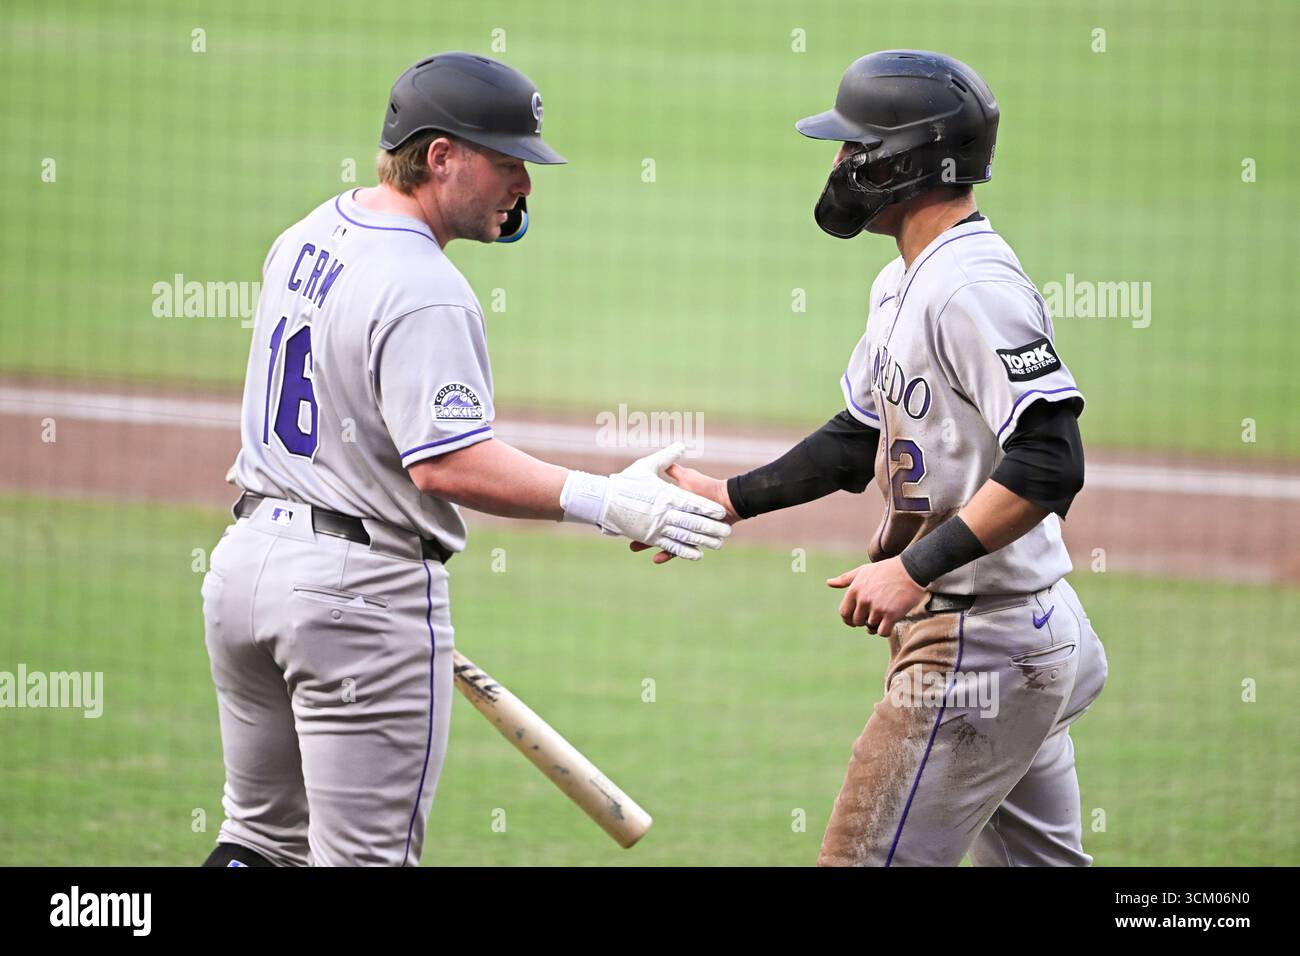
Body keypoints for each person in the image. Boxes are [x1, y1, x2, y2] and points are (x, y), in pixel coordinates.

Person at [200, 52, 730, 867]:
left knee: (259, 845)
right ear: (440, 156)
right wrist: (605, 499)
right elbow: (446, 464)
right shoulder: (424, 285)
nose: (525, 183)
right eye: (508, 161)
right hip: (358, 599)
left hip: (245, 570)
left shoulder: (310, 233)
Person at [654, 50, 1108, 866]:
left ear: (903, 159)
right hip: (1021, 634)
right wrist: (729, 497)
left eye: (851, 146)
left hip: (981, 644)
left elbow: (1049, 460)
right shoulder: (905, 278)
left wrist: (913, 569)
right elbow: (857, 435)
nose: (837, 165)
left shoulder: (972, 288)